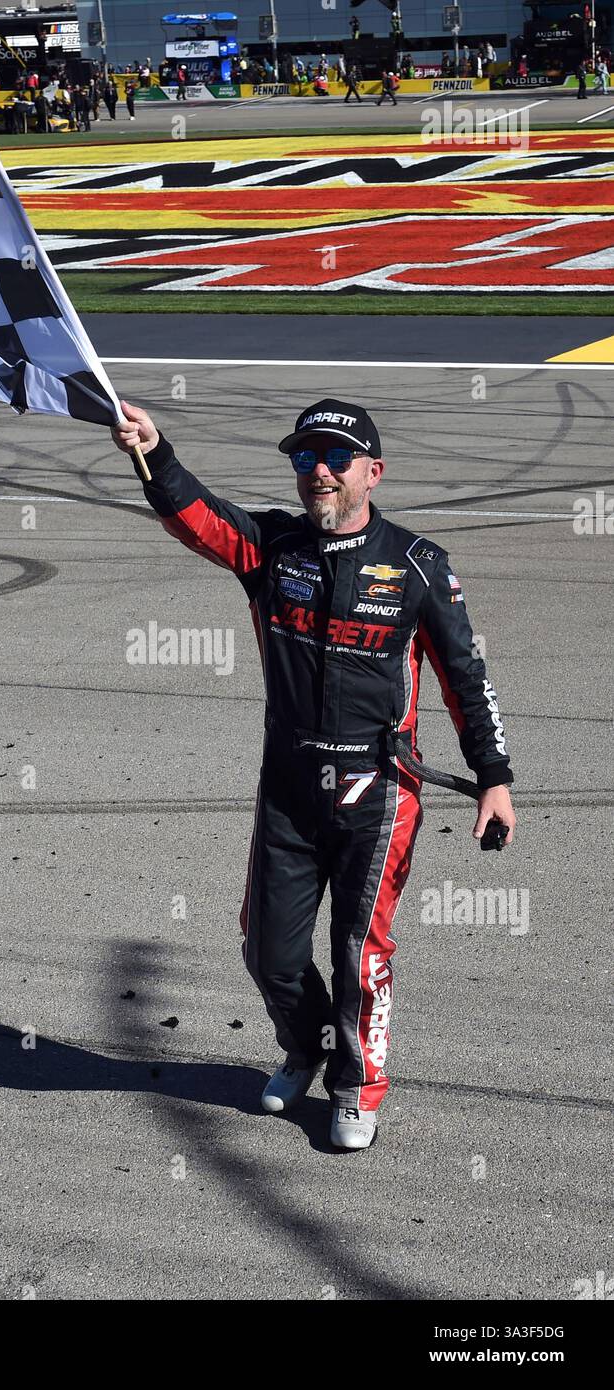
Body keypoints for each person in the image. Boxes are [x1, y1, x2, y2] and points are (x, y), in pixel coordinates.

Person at [111, 397, 515, 1151]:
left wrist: (492, 775)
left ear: (372, 471)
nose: (318, 473)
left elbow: (465, 676)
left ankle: (358, 1085)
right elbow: (195, 514)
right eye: (304, 459)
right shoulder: (271, 546)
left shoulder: (419, 566)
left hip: (380, 794)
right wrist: (154, 450)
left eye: (334, 459)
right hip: (290, 790)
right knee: (269, 951)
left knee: (359, 952)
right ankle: (306, 1045)